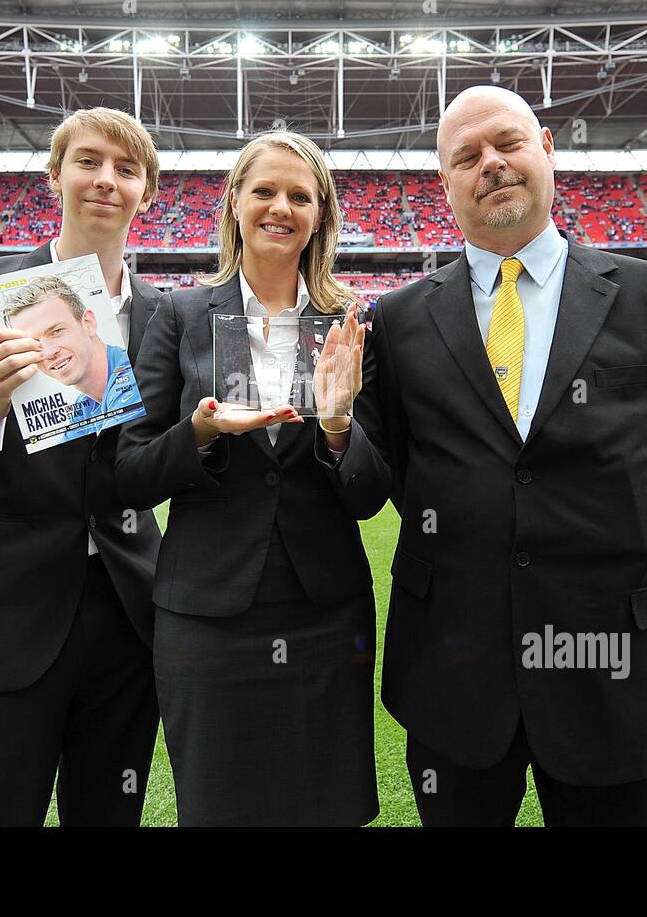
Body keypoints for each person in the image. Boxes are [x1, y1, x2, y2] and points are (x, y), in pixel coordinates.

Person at [357, 86, 647, 826]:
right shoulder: (395, 322)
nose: (490, 164)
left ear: (547, 149)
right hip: (455, 674)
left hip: (618, 667)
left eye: (507, 144)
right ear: (446, 185)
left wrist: (604, 554)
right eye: (467, 157)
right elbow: (397, 468)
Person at [115, 130, 391, 826]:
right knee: (217, 806)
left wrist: (336, 425)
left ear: (321, 214)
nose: (281, 207)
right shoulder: (177, 317)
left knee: (325, 805)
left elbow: (369, 493)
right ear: (234, 201)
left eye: (301, 195)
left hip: (326, 614)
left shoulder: (353, 323)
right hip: (205, 616)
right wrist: (201, 430)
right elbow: (128, 472)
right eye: (264, 190)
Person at [0, 107, 164, 826]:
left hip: (128, 619)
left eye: (127, 168)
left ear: (148, 192)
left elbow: (171, 458)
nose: (106, 180)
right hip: (4, 616)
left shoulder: (170, 316)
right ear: (54, 177)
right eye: (88, 162)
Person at [0, 275, 141, 420]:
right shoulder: (85, 406)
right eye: (33, 343)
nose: (48, 353)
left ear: (88, 323)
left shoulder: (133, 377)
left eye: (56, 332)